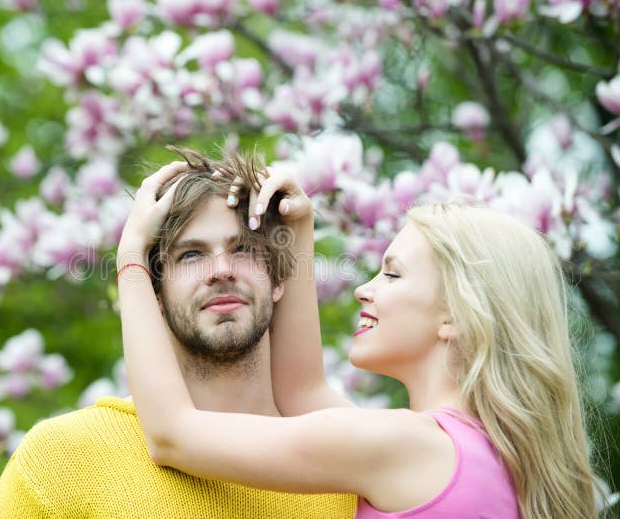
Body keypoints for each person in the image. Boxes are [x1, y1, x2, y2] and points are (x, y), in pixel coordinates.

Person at [117, 151, 599, 519]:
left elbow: (172, 435)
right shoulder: (479, 452)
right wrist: (296, 228)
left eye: (391, 275)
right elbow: (299, 390)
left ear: (455, 315)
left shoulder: (402, 445)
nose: (364, 290)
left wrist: (132, 257)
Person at [0, 150, 357, 518]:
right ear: (154, 293)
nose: (222, 270)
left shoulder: (347, 469)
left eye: (243, 249)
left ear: (279, 278)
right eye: (191, 255)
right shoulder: (57, 463)